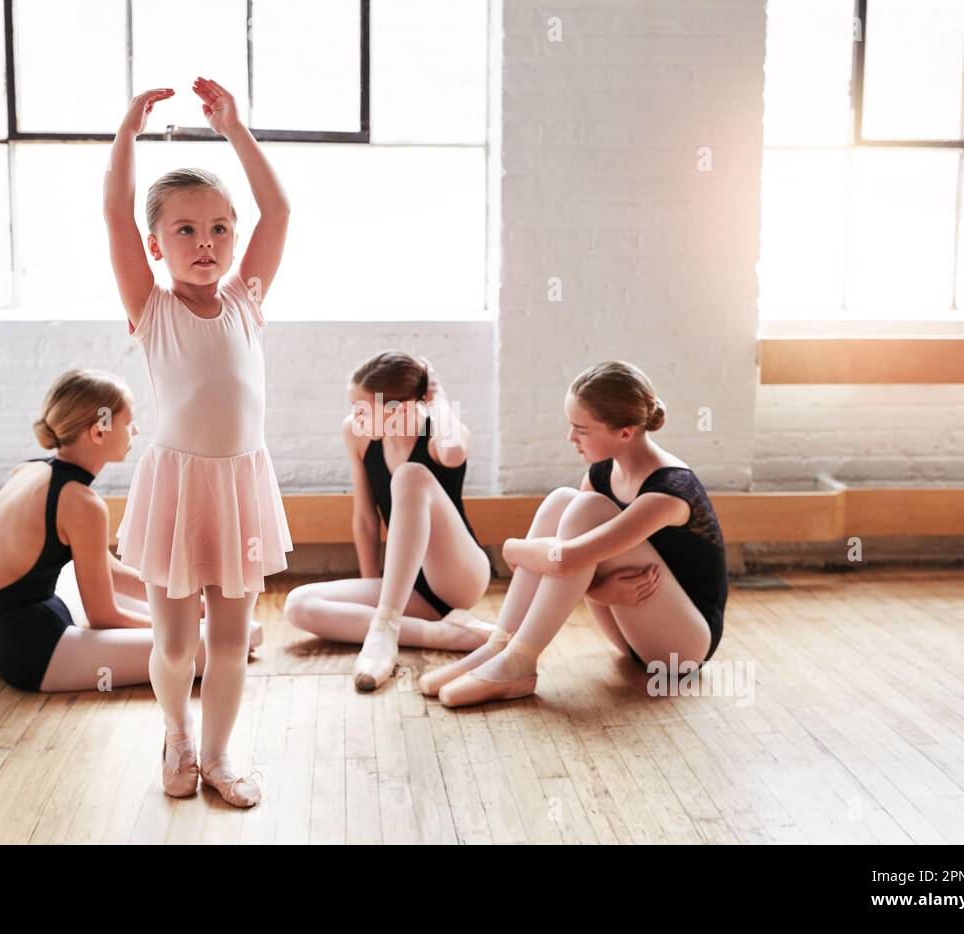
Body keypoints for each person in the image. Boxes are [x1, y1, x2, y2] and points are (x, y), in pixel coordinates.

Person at [104, 78, 292, 806]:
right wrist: (127, 136)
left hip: (241, 487)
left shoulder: (247, 302)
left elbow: (278, 209)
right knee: (177, 642)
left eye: (218, 228)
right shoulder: (151, 310)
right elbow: (114, 214)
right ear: (157, 245)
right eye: (185, 230)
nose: (205, 242)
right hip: (177, 490)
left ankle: (218, 755)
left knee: (231, 640)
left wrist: (235, 130)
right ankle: (176, 735)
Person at [419, 360, 728, 708]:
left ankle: (520, 661)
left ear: (625, 432)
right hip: (632, 628)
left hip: (681, 649)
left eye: (581, 429)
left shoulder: (670, 491)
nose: (571, 438)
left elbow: (567, 559)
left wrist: (512, 549)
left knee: (587, 510)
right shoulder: (601, 474)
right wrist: (599, 590)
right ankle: (501, 644)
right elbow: (575, 570)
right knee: (562, 502)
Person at [0, 369, 263, 694]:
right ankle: (187, 629)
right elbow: (104, 616)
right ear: (99, 432)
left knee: (213, 626)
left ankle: (186, 620)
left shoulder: (31, 468)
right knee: (243, 635)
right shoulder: (82, 503)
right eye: (128, 421)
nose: (135, 430)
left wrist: (191, 603)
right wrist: (184, 627)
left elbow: (107, 569)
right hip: (35, 654)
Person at [284, 352, 496, 692]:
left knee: (410, 476)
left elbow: (455, 452)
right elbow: (366, 516)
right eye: (352, 404)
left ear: (397, 409)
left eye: (362, 407)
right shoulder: (357, 434)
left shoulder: (441, 435)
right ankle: (439, 634)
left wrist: (437, 396)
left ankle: (386, 626)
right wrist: (374, 585)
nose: (354, 415)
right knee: (299, 606)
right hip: (405, 587)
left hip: (456, 575)